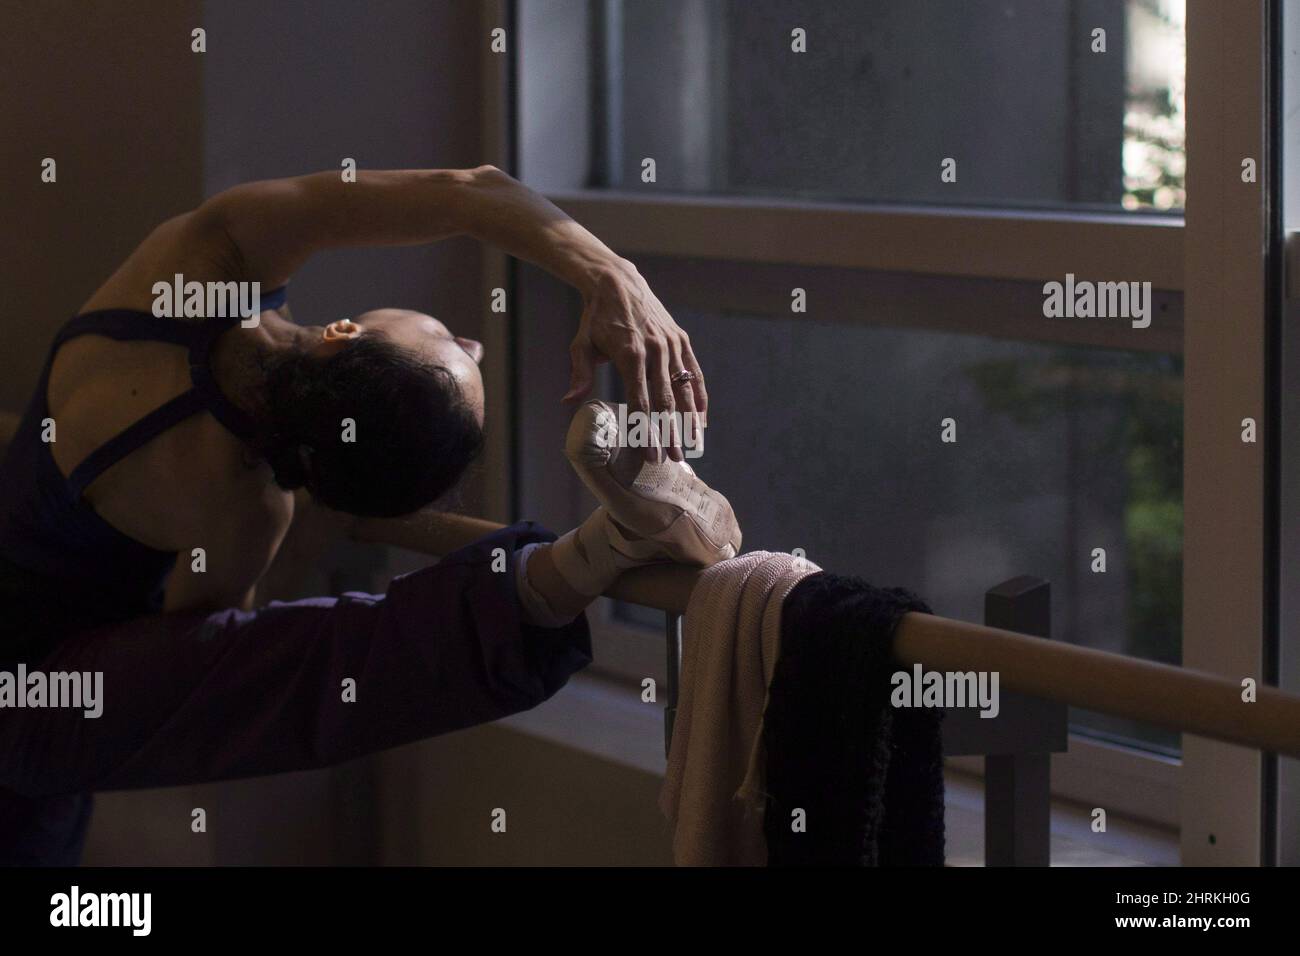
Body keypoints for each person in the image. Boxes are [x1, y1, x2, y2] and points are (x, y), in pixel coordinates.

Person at [0, 165, 739, 865]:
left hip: (48, 714)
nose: (473, 340)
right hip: (39, 714)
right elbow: (190, 661)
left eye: (453, 345)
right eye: (456, 345)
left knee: (241, 672)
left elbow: (469, 192)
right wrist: (620, 276)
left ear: (345, 333)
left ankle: (584, 558)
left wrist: (608, 277)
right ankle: (587, 558)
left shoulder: (199, 264)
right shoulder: (247, 509)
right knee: (264, 663)